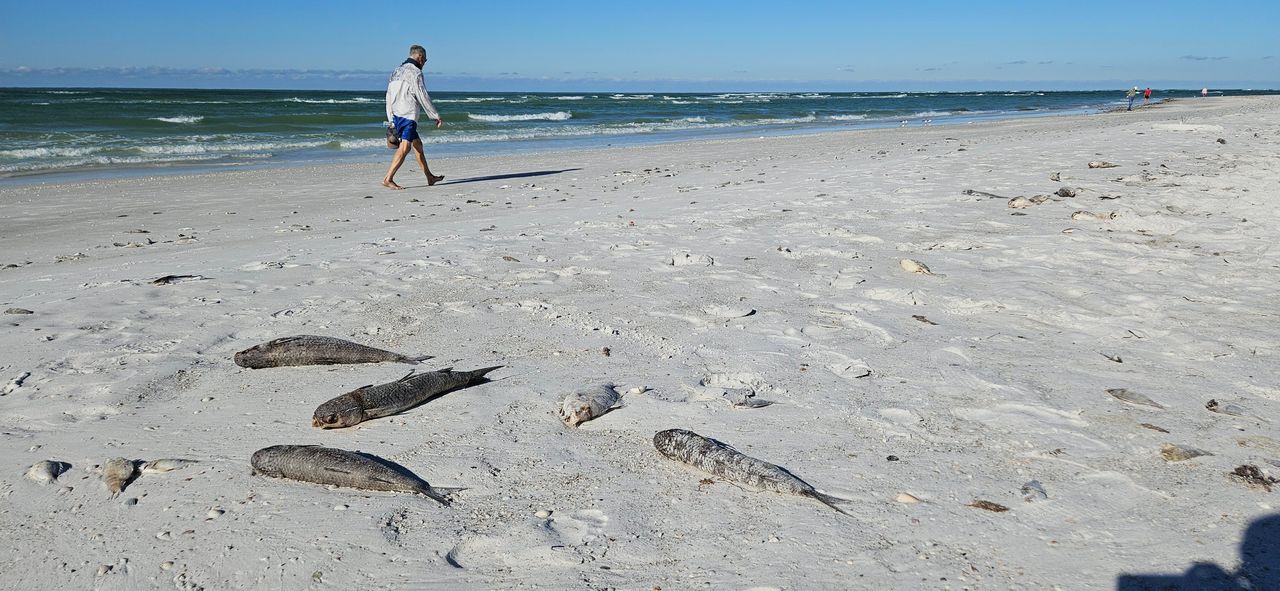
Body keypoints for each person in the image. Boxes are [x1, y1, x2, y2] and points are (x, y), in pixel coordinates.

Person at [383, 44, 444, 190]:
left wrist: (390, 117)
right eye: (425, 60)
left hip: (397, 113)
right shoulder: (416, 72)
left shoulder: (396, 71)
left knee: (418, 145)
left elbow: (388, 95)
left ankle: (429, 176)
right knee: (405, 148)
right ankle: (388, 178)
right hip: (408, 115)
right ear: (420, 57)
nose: (424, 64)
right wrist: (435, 115)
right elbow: (422, 95)